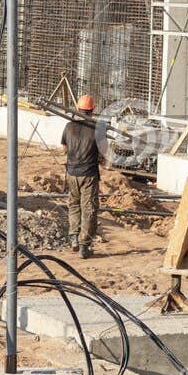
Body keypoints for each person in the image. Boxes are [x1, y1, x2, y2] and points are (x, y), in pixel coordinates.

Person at [60, 93, 102, 259]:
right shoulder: (97, 129)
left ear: (78, 109)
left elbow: (64, 148)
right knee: (89, 209)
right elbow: (103, 155)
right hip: (89, 175)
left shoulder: (69, 126)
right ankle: (85, 245)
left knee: (74, 205)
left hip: (71, 173)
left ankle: (73, 238)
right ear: (92, 110)